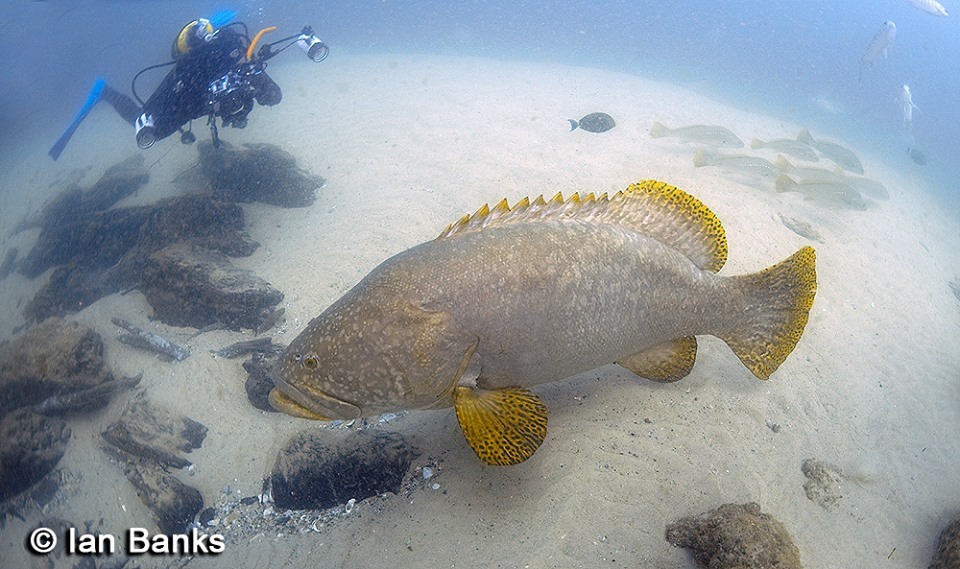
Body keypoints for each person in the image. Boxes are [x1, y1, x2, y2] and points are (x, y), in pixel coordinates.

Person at [50, 17, 326, 159]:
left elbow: (274, 96)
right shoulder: (189, 70)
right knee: (148, 127)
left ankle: (106, 93)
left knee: (150, 127)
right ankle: (105, 92)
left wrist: (252, 77)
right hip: (192, 101)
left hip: (204, 97)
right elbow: (159, 107)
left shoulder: (233, 53)